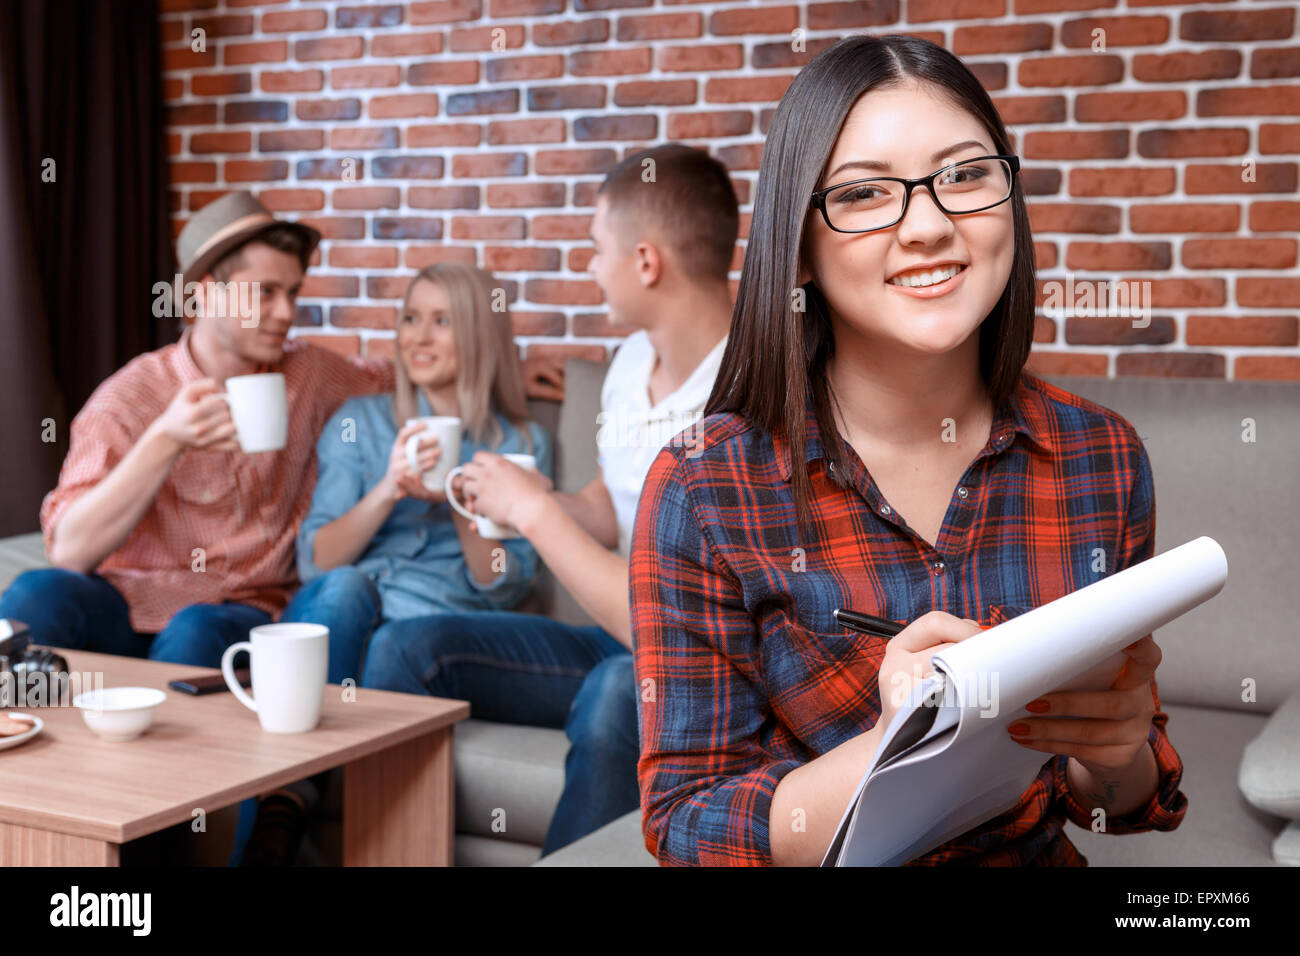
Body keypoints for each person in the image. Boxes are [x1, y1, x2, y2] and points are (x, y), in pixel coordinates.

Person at [630, 34, 1189, 866]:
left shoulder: (1102, 456)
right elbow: (684, 825)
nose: (928, 225)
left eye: (965, 175)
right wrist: (904, 749)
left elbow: (1115, 806)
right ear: (802, 246)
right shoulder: (705, 487)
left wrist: (1118, 752)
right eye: (863, 193)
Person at [362, 143, 738, 855]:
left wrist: (533, 513)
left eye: (597, 250)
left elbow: (670, 629)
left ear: (647, 262)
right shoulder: (631, 360)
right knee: (405, 650)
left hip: (690, 657)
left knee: (616, 693)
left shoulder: (749, 386)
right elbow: (607, 505)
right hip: (612, 632)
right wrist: (533, 495)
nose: (589, 268)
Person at [0, 191, 394, 667]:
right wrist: (166, 440)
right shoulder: (130, 398)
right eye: (264, 292)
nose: (287, 313)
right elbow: (69, 551)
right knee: (35, 594)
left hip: (241, 612)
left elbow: (397, 376)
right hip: (127, 608)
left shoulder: (310, 374)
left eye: (292, 292)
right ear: (205, 292)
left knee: (197, 630)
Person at [291, 262, 553, 680]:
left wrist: (458, 500)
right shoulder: (357, 422)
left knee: (398, 645)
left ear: (479, 334)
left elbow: (503, 586)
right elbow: (315, 564)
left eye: (443, 321)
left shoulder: (519, 443)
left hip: (431, 630)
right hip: (343, 613)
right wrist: (388, 489)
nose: (419, 337)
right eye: (411, 318)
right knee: (345, 588)